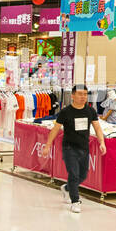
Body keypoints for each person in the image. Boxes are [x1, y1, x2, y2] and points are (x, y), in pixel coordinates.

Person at [41, 83, 106, 213]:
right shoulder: (65, 112)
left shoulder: (90, 111)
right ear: (73, 96)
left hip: (84, 147)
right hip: (69, 147)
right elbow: (55, 129)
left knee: (83, 175)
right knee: (74, 174)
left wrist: (102, 142)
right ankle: (75, 201)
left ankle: (67, 188)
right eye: (80, 94)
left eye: (85, 94)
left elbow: (97, 128)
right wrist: (47, 145)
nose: (83, 97)